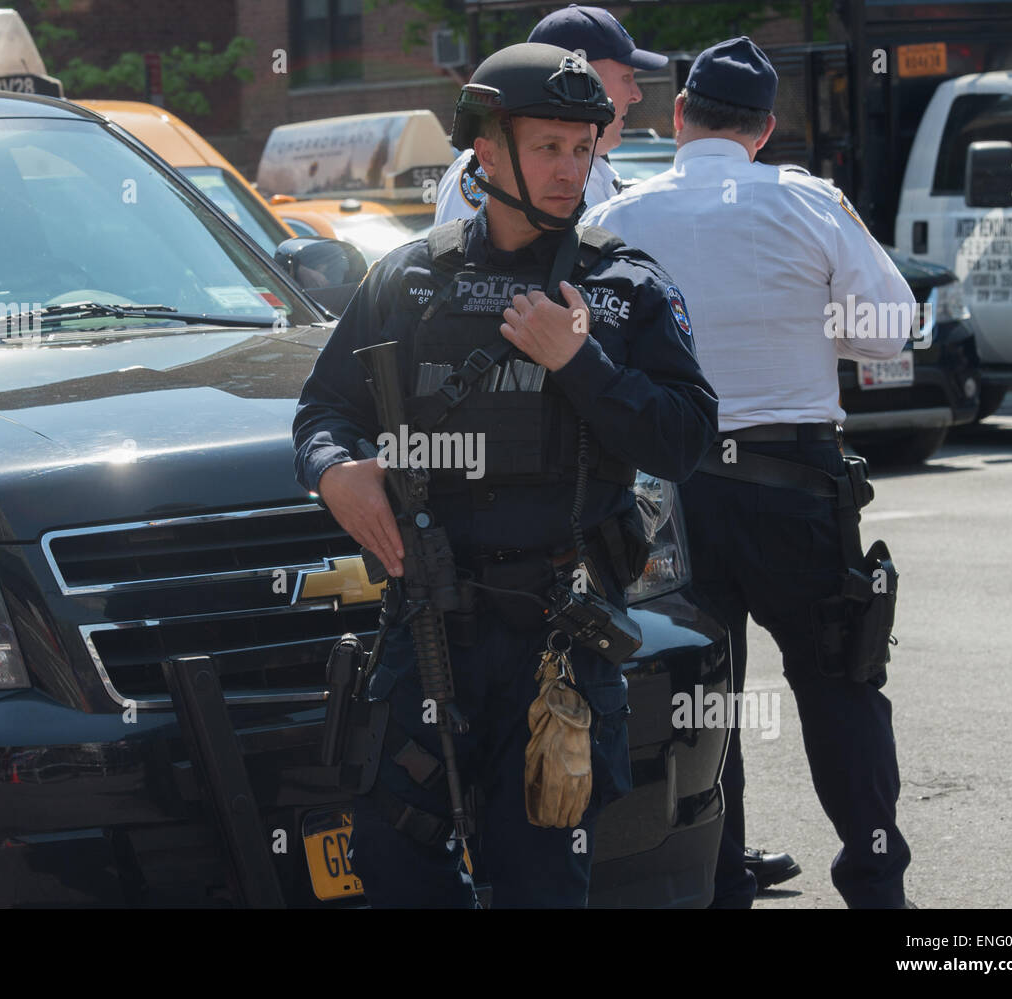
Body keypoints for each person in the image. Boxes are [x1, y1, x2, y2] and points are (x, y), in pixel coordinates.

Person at [294, 42, 718, 907]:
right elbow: (324, 413)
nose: (572, 170)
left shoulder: (624, 286)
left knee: (539, 875)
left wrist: (581, 362)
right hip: (429, 629)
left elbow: (685, 441)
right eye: (547, 147)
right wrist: (337, 472)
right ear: (485, 152)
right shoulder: (409, 279)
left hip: (554, 642)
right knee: (393, 859)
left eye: (582, 147)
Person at [584, 36, 914, 908]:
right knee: (839, 683)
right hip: (795, 485)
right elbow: (888, 329)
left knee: (699, 696)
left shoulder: (621, 215)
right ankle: (877, 887)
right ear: (766, 130)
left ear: (681, 116)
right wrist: (806, 324)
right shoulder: (808, 203)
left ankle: (716, 883)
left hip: (667, 493)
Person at [435, 3, 661, 225]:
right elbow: (477, 259)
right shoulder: (498, 166)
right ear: (583, 79)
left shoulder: (595, 168)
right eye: (627, 78)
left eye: (580, 149)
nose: (636, 95)